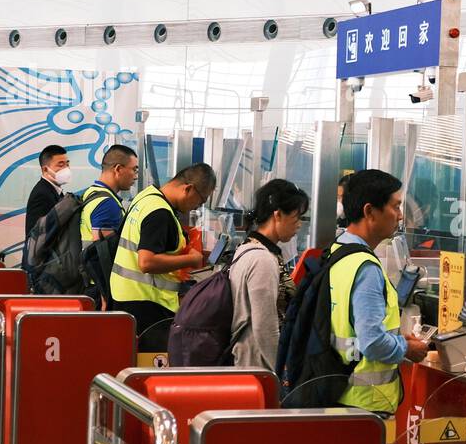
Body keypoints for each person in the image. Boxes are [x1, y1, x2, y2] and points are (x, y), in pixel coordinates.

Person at [331, 169, 429, 415]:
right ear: (370, 211)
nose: (400, 215)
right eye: (395, 207)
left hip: (335, 391)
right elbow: (372, 342)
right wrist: (407, 348)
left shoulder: (335, 251)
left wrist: (397, 339)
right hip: (363, 404)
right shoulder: (366, 268)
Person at [110, 163, 216, 344]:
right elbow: (146, 262)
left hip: (125, 299)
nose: (197, 207)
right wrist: (190, 259)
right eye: (201, 200)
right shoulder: (160, 213)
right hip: (148, 306)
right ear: (188, 188)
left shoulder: (146, 197)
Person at [230, 179, 309, 372]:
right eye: (296, 217)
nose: (298, 225)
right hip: (258, 364)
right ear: (278, 215)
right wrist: (280, 371)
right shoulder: (262, 260)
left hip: (253, 361)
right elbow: (265, 327)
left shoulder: (248, 247)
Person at [80, 144, 139, 243]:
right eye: (134, 169)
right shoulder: (107, 204)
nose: (136, 176)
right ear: (118, 169)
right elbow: (106, 253)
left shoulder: (90, 192)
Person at [24, 144, 71, 236]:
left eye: (67, 164)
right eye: (60, 165)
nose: (66, 169)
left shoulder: (57, 191)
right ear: (45, 169)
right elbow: (35, 235)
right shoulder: (41, 194)